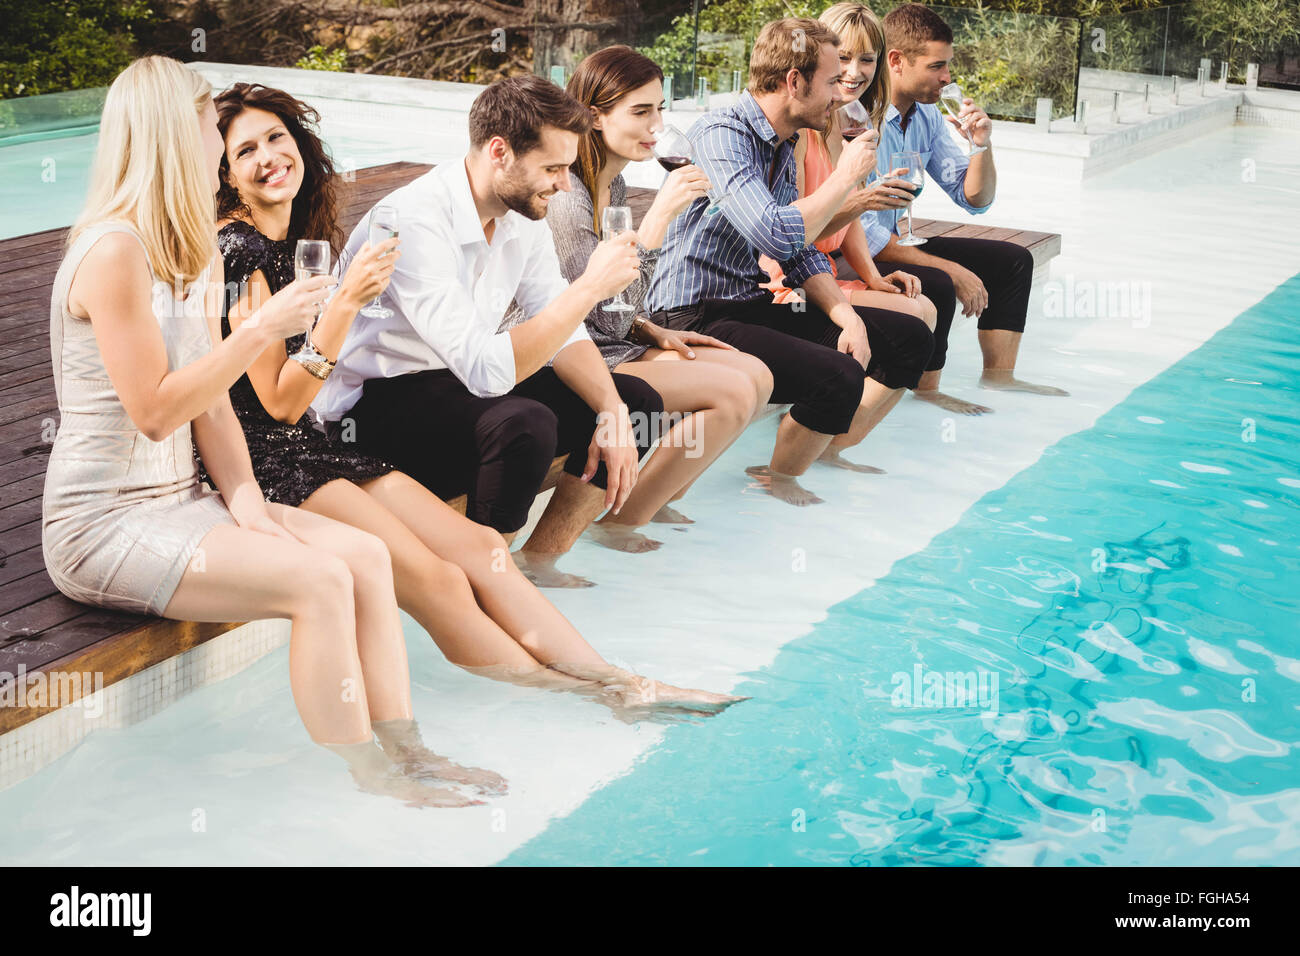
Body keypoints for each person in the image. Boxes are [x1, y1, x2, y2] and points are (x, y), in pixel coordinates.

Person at [41, 56, 491, 809]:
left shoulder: (185, 248)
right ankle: (371, 778)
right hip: (103, 522)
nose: (219, 146)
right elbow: (156, 410)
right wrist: (262, 335)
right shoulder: (115, 251)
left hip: (183, 496)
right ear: (171, 134)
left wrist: (248, 504)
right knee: (318, 582)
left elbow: (213, 406)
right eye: (208, 127)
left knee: (365, 556)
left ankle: (409, 750)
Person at [203, 82, 737, 715]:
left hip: (323, 440)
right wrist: (590, 287)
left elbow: (549, 327)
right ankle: (577, 694)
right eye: (246, 151)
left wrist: (613, 408)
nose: (269, 157)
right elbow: (277, 405)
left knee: (482, 550)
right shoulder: (249, 251)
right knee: (444, 564)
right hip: (303, 440)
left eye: (277, 139)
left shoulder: (297, 239)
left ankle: (617, 682)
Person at [310, 75, 667, 588]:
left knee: (635, 403)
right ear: (499, 151)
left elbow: (560, 327)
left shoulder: (522, 212)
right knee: (524, 424)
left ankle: (537, 565)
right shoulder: (412, 220)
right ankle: (486, 587)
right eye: (553, 168)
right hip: (373, 403)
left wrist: (611, 411)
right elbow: (486, 369)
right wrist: (587, 289)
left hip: (457, 385)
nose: (565, 184)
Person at [644, 17, 935, 500]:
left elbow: (799, 247)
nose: (842, 94)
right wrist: (845, 178)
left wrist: (848, 317)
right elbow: (775, 234)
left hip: (744, 301)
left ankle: (780, 472)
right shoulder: (723, 136)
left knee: (906, 338)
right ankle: (778, 482)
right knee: (837, 374)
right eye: (830, 81)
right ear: (794, 81)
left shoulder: (783, 140)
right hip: (691, 313)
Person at [529, 46, 775, 544]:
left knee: (757, 375)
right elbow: (598, 311)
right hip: (566, 353)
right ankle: (622, 521)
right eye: (640, 112)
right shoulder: (569, 197)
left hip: (605, 339)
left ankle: (655, 496)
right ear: (594, 117)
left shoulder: (610, 185)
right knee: (731, 394)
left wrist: (650, 326)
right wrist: (659, 221)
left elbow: (620, 310)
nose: (656, 126)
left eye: (660, 109)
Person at [851, 2, 1068, 401]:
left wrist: (980, 146)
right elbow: (863, 236)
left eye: (948, 65)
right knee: (937, 280)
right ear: (896, 61)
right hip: (852, 251)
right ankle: (927, 390)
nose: (948, 77)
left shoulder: (926, 116)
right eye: (937, 66)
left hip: (891, 243)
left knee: (1013, 261)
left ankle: (999, 378)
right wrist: (953, 269)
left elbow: (973, 200)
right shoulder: (858, 119)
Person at [759, 4, 952, 428]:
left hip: (824, 269)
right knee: (914, 323)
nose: (855, 71)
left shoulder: (851, 122)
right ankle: (818, 427)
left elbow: (848, 227)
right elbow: (790, 236)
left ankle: (836, 437)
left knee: (924, 306)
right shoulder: (801, 131)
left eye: (867, 59)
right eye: (843, 57)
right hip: (787, 278)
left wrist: (874, 277)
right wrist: (861, 202)